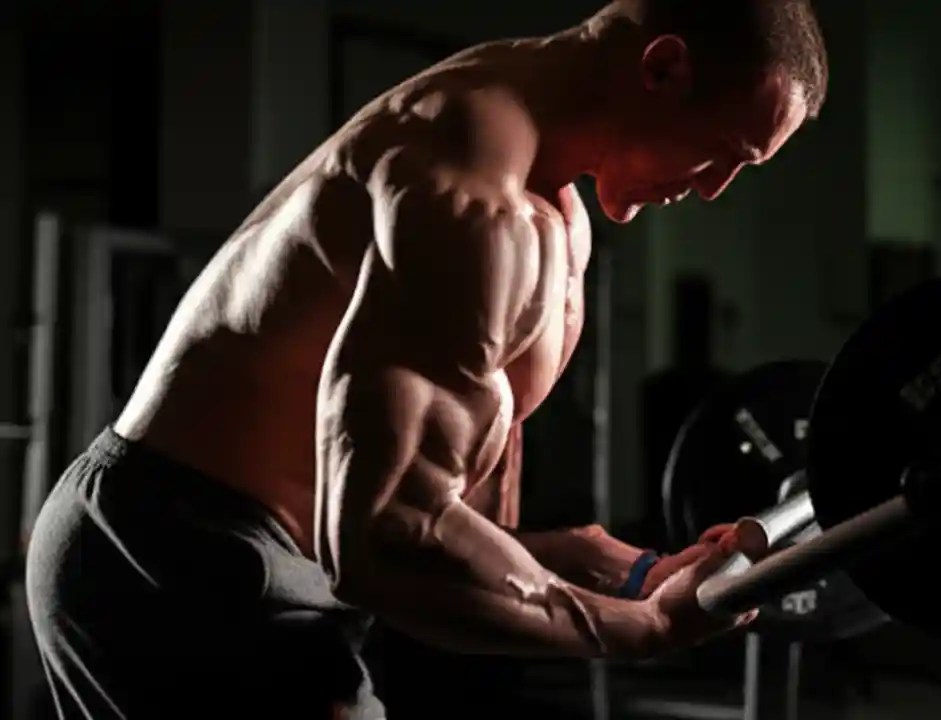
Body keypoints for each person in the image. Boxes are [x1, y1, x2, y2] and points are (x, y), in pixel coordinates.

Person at [24, 0, 829, 717]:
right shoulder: (466, 189)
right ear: (664, 67)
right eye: (727, 150)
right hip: (170, 556)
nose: (717, 188)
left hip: (280, 558)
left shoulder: (559, 220)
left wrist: (632, 572)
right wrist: (646, 628)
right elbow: (382, 545)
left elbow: (455, 525)